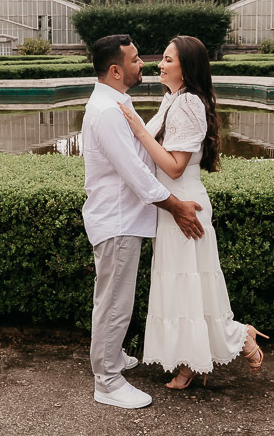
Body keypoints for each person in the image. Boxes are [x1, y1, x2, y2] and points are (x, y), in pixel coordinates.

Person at [117, 35, 268, 389]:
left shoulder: (187, 104)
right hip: (172, 206)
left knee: (188, 284)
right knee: (182, 287)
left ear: (186, 68)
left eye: (168, 60)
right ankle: (192, 363)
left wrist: (138, 128)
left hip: (184, 204)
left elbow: (173, 167)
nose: (160, 64)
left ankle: (239, 337)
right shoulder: (174, 100)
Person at [82, 33, 205, 409]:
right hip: (117, 220)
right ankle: (107, 381)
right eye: (135, 60)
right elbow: (135, 173)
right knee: (114, 304)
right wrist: (176, 206)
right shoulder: (106, 112)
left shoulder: (116, 101)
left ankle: (113, 358)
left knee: (117, 299)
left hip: (126, 219)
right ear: (116, 70)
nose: (144, 64)